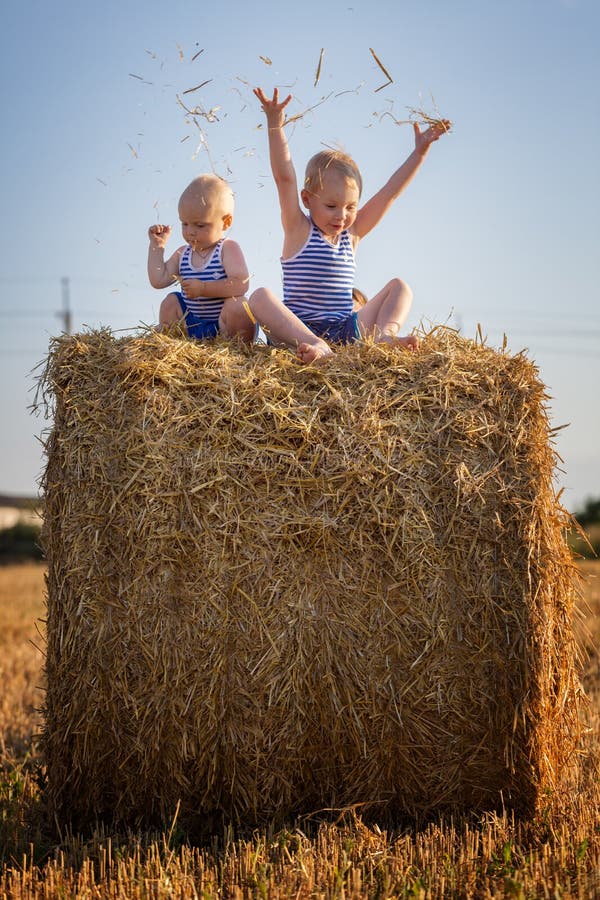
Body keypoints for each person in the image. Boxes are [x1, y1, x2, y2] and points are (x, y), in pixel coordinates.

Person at [246, 87, 450, 363]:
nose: (342, 215)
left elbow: (389, 193)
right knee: (258, 297)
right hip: (297, 329)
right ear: (307, 199)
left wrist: (420, 153)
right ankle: (316, 345)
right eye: (331, 206)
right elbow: (285, 179)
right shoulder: (298, 229)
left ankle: (384, 337)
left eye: (350, 207)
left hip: (345, 330)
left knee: (400, 287)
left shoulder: (351, 235)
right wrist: (275, 125)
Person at [148, 174, 255, 341]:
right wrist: (157, 247)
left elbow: (241, 284)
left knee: (238, 306)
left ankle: (238, 351)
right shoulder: (182, 254)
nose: (190, 231)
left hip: (223, 326)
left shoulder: (226, 248)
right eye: (185, 223)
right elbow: (158, 280)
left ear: (226, 223)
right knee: (170, 302)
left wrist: (204, 288)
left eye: (199, 225)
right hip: (191, 327)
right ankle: (172, 346)